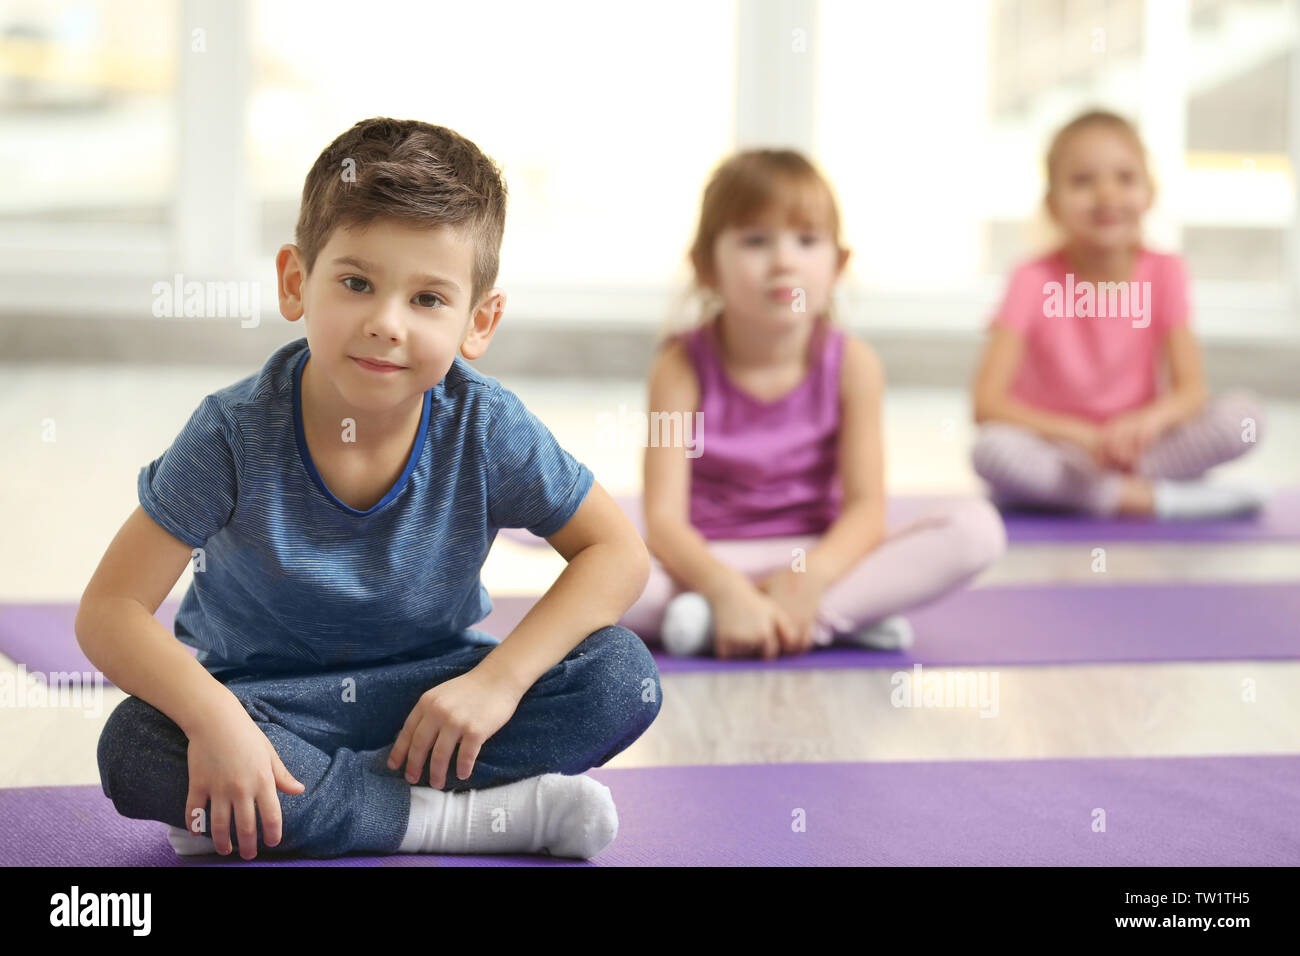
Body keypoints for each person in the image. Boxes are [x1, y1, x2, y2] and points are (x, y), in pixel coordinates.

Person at [77, 118, 659, 861]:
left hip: (430, 704)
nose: (386, 323)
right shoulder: (230, 431)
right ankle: (462, 821)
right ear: (296, 282)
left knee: (619, 677)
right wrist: (217, 726)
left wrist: (498, 684)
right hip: (266, 707)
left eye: (427, 300)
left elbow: (616, 553)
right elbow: (110, 611)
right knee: (134, 746)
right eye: (357, 284)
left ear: (478, 322)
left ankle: (283, 813)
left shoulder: (485, 425)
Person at [621, 149, 1006, 660]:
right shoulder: (678, 368)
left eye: (806, 241)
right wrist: (722, 587)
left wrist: (808, 582)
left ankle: (744, 623)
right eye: (755, 240)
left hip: (815, 558)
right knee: (607, 578)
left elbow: (867, 511)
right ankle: (829, 618)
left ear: (838, 265)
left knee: (976, 530)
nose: (784, 261)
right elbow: (664, 518)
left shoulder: (854, 365)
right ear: (706, 266)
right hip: (708, 561)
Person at [971, 109, 1265, 519]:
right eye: (1083, 181)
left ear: (1149, 194)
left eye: (1124, 179)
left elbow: (1191, 390)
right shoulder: (1030, 278)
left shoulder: (1166, 271)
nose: (1106, 195)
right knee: (993, 451)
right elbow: (986, 404)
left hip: (1140, 450)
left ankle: (1085, 495)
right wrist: (1078, 435)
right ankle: (1155, 500)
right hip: (1062, 452)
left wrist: (1149, 422)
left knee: (1244, 419)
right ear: (1052, 204)